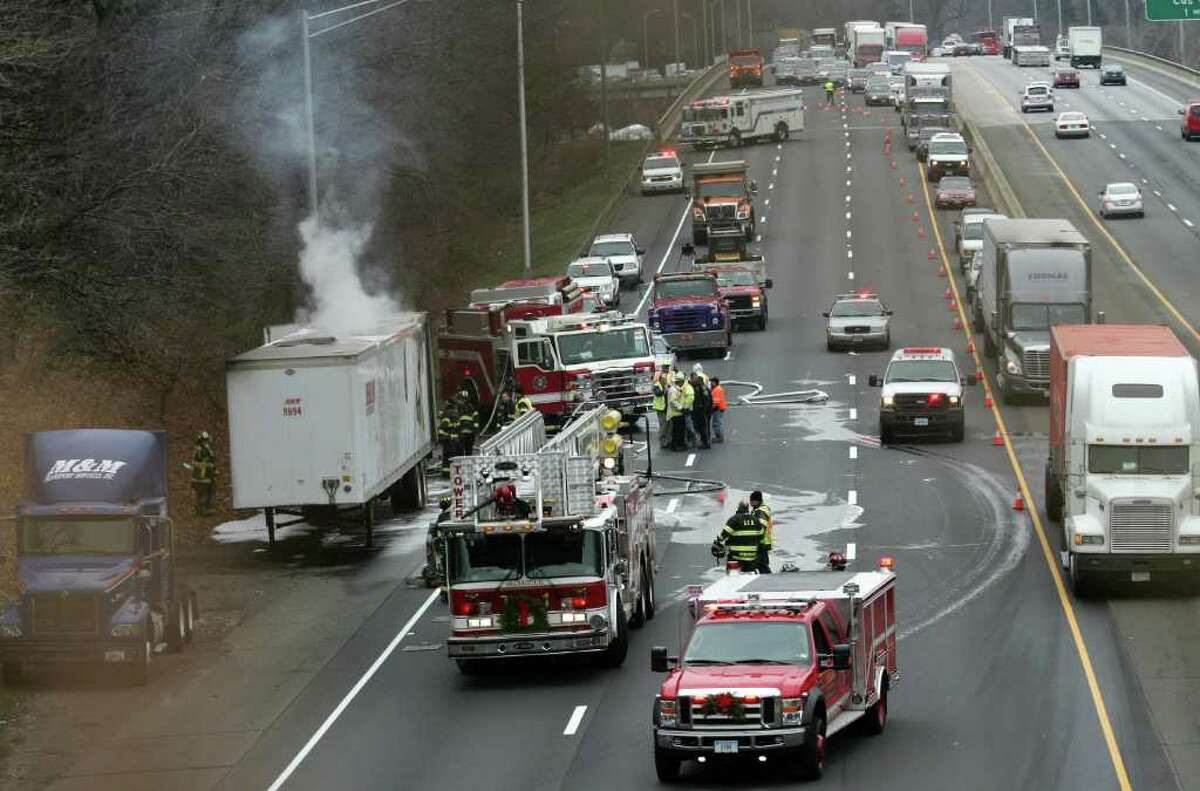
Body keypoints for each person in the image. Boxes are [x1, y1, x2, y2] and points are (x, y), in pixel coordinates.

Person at [712, 500, 769, 572]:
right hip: (751, 558)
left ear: (739, 507)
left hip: (736, 556)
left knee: (732, 577)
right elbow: (761, 539)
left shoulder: (734, 519)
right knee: (749, 577)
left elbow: (723, 535)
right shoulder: (756, 520)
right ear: (748, 508)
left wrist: (717, 542)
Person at [191, 432, 217, 516]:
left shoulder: (209, 450)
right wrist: (203, 465)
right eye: (205, 441)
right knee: (201, 493)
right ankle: (200, 509)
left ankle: (206, 508)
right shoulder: (199, 451)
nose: (207, 442)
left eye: (207, 440)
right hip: (200, 477)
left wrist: (214, 470)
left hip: (208, 476)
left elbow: (212, 461)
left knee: (209, 491)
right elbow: (194, 462)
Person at [750, 490, 774, 574]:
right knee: (762, 565)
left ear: (756, 501)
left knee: (762, 566)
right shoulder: (758, 510)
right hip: (762, 542)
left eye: (751, 500)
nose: (750, 503)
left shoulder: (761, 511)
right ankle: (768, 579)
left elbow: (760, 528)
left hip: (761, 542)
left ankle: (768, 581)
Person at [690, 372, 711, 449]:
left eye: (694, 379)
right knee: (699, 427)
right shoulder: (693, 386)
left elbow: (707, 399)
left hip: (702, 411)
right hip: (696, 411)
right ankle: (703, 441)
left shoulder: (702, 387)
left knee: (704, 427)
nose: (693, 381)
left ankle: (706, 442)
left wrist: (705, 409)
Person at [667, 371, 688, 451]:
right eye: (682, 381)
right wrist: (681, 408)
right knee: (677, 430)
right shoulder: (673, 390)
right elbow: (673, 401)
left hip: (679, 413)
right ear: (679, 381)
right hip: (675, 413)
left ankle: (680, 443)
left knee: (681, 429)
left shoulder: (677, 389)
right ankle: (675, 445)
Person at [438, 397, 459, 471]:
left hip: (448, 439)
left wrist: (441, 436)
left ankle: (446, 472)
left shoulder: (447, 414)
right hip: (455, 440)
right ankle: (453, 472)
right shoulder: (456, 414)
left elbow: (443, 426)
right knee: (453, 457)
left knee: (447, 457)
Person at [456, 389, 479, 455]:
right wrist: (475, 431)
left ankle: (462, 464)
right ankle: (467, 463)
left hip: (462, 433)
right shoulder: (472, 408)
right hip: (469, 433)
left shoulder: (458, 408)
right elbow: (476, 421)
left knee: (460, 451)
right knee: (468, 451)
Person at [652, 369, 669, 448]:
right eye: (663, 378)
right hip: (660, 408)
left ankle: (667, 439)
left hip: (666, 408)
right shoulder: (656, 385)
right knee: (663, 425)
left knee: (668, 424)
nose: (665, 380)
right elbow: (658, 393)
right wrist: (665, 390)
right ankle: (662, 440)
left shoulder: (665, 385)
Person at [681, 372, 698, 449]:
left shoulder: (688, 386)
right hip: (688, 409)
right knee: (688, 426)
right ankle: (690, 440)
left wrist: (685, 407)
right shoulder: (687, 386)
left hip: (689, 409)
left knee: (689, 426)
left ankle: (694, 440)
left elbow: (690, 397)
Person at [710, 377, 728, 442]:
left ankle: (719, 437)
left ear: (715, 382)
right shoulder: (717, 388)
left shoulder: (717, 390)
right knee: (718, 422)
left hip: (717, 408)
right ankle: (719, 436)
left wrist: (711, 409)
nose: (710, 383)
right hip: (720, 407)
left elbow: (716, 401)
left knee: (717, 423)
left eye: (712, 382)